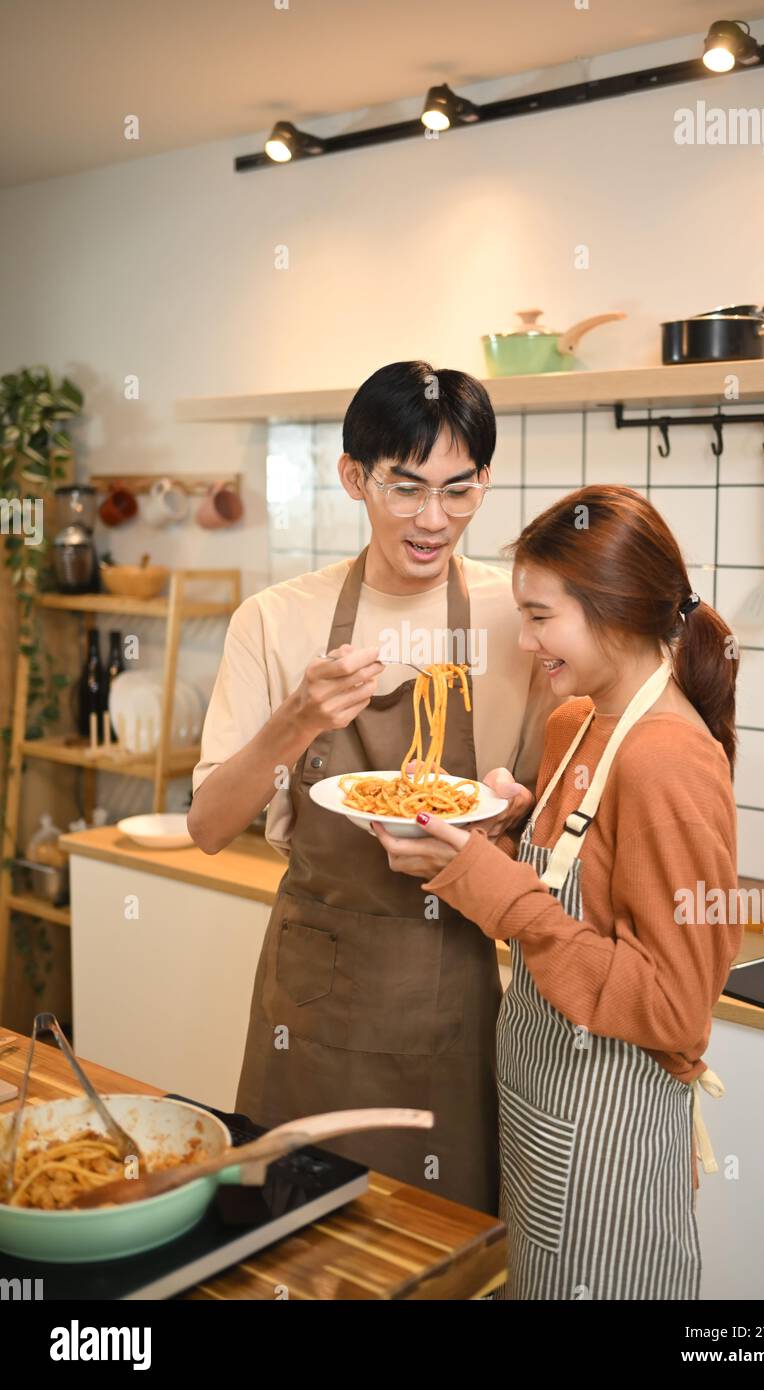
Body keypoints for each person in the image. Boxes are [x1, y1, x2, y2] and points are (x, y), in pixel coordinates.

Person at [187, 361, 564, 1214]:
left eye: (459, 492)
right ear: (353, 476)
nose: (434, 521)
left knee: (443, 1245)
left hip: (457, 984)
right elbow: (209, 826)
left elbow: (548, 807)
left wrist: (511, 821)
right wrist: (295, 720)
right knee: (295, 1239)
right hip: (313, 1003)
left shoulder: (520, 620)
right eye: (406, 489)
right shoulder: (277, 620)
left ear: (483, 485)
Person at [372, 483, 741, 1297]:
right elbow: (577, 893)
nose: (527, 638)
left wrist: (483, 883)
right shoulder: (575, 724)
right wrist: (501, 836)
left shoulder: (667, 759)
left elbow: (674, 1007)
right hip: (544, 1104)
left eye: (541, 616)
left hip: (610, 1129)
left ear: (615, 609)